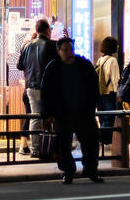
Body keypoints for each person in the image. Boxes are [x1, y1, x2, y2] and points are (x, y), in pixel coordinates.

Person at [41, 37, 103, 184]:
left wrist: (92, 105)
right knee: (63, 144)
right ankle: (68, 172)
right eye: (66, 50)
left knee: (91, 142)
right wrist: (47, 113)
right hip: (62, 113)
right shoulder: (53, 68)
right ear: (59, 51)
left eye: (71, 49)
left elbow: (94, 87)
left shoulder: (84, 65)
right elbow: (46, 92)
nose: (70, 53)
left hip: (84, 112)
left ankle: (91, 170)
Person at [19, 20, 58, 155]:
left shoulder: (27, 46)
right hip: (48, 87)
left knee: (35, 117)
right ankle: (53, 148)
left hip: (30, 86)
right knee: (53, 116)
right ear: (48, 30)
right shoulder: (52, 45)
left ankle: (35, 149)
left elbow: (19, 65)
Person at [94, 37, 122, 146]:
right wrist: (118, 94)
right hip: (109, 93)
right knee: (109, 116)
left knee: (102, 116)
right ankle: (103, 138)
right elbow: (116, 79)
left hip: (100, 92)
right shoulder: (113, 60)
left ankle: (102, 138)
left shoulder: (100, 59)